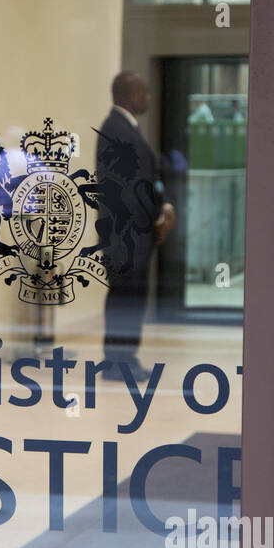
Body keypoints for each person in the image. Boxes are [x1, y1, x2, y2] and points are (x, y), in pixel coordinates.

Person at [93, 72, 175, 378]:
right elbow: (127, 188)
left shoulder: (127, 129)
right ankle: (117, 362)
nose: (149, 98)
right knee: (124, 300)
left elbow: (146, 176)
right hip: (123, 237)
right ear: (130, 95)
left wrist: (162, 207)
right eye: (144, 93)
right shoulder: (115, 130)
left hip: (133, 235)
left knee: (131, 298)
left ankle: (124, 358)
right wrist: (156, 213)